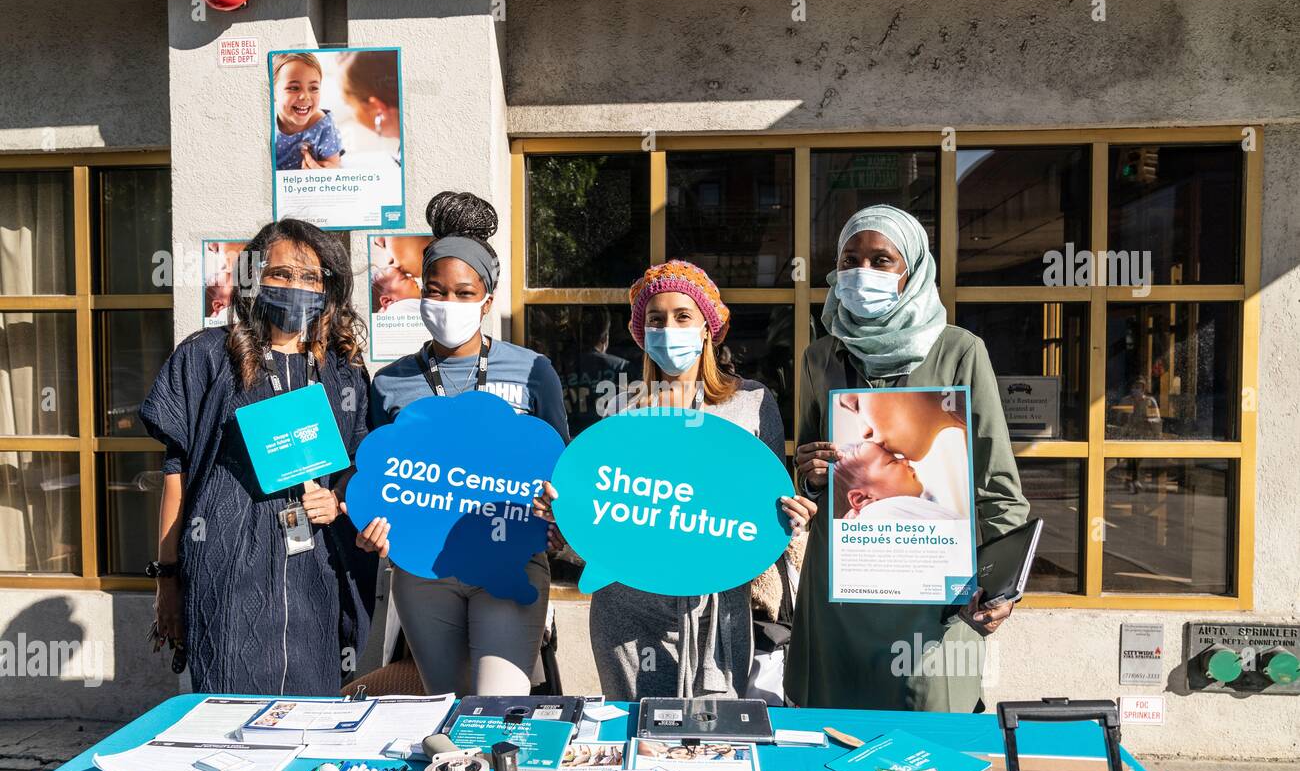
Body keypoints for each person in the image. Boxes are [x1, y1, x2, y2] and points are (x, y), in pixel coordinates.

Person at [535, 260, 817, 700]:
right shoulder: (622, 409)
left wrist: (793, 518)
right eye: (656, 319)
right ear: (641, 332)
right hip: (627, 610)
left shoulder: (751, 402)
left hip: (718, 609)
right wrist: (563, 515)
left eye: (683, 316)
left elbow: (770, 502)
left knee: (716, 734)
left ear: (707, 327)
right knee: (637, 732)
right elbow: (605, 507)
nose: (668, 329)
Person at [786, 204, 1029, 712]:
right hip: (840, 599)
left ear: (913, 270)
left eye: (881, 260)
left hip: (932, 601)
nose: (862, 273)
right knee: (831, 731)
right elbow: (807, 483)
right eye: (850, 260)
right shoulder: (820, 358)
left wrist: (1002, 588)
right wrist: (810, 478)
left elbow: (997, 487)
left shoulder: (959, 351)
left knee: (929, 731)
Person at [141, 219, 375, 694]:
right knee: (231, 711)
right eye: (281, 274)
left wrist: (337, 501)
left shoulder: (343, 371)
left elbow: (356, 464)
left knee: (312, 711)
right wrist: (167, 578)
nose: (296, 286)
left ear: (327, 287)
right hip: (228, 570)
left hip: (315, 570)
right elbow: (176, 472)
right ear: (253, 277)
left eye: (310, 277)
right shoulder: (207, 356)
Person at [351, 191, 569, 696]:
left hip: (510, 558)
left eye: (464, 293)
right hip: (423, 572)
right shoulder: (390, 381)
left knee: (498, 708)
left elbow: (561, 468)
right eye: (436, 291)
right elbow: (374, 476)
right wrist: (368, 525)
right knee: (446, 707)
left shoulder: (533, 371)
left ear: (487, 301)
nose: (448, 304)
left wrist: (558, 518)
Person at [833, 440, 959, 521]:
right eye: (892, 461)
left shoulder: (925, 501)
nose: (905, 460)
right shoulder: (879, 517)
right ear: (861, 498)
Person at [273, 52, 343, 170]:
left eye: (314, 88)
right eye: (294, 88)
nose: (305, 96)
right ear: (272, 91)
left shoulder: (323, 126)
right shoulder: (266, 122)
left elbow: (334, 167)